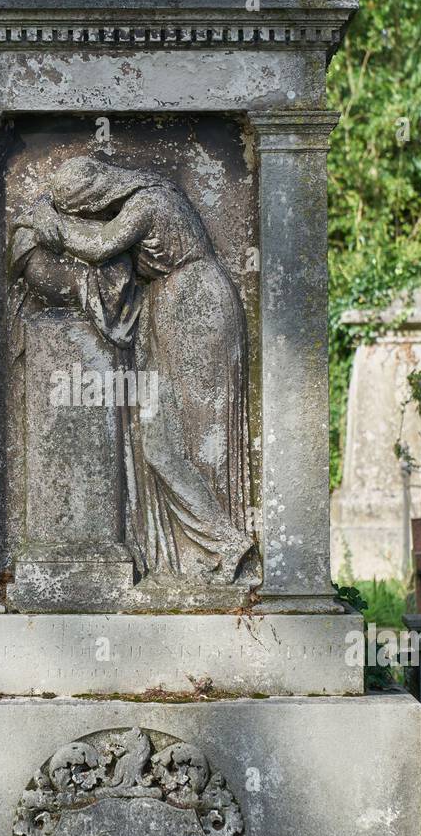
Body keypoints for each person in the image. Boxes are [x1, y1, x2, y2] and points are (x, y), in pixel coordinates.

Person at [16, 155, 254, 583]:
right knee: (160, 441)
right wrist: (45, 213)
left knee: (193, 435)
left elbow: (101, 246)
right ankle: (220, 542)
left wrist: (52, 226)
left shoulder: (149, 203)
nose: (89, 213)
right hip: (170, 304)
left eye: (82, 208)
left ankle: (223, 543)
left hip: (194, 306)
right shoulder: (145, 193)